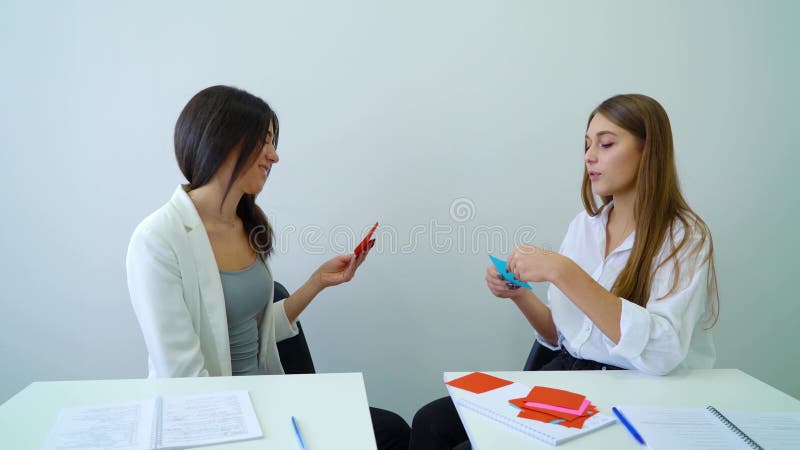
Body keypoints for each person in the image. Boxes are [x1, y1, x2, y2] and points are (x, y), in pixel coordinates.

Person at [409, 94, 720, 449]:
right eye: (587, 145)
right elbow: (564, 337)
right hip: (572, 377)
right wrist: (520, 294)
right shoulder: (584, 226)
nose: (589, 156)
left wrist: (563, 272)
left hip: (635, 390)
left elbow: (663, 352)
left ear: (649, 151)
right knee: (430, 422)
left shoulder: (684, 237)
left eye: (605, 144)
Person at [126, 85, 409, 449]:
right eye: (265, 141)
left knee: (393, 431)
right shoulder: (157, 239)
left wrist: (317, 282)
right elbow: (184, 378)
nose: (274, 156)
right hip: (215, 419)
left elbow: (253, 334)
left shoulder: (246, 224)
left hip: (267, 397)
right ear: (222, 140)